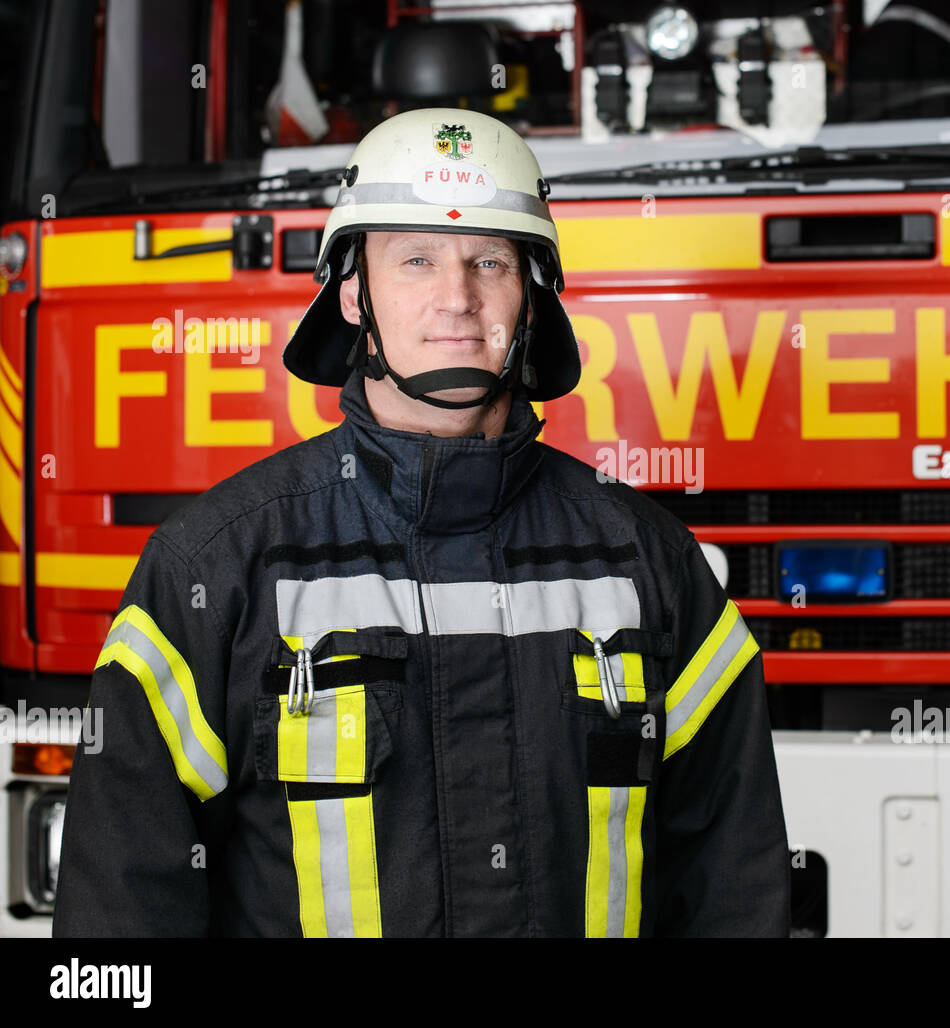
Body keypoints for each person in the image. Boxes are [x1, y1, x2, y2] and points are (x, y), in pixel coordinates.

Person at [52, 107, 791, 937]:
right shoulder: (216, 566)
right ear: (353, 295)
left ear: (533, 298)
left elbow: (734, 883)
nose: (457, 298)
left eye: (489, 259)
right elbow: (121, 907)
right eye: (414, 260)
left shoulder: (648, 563)